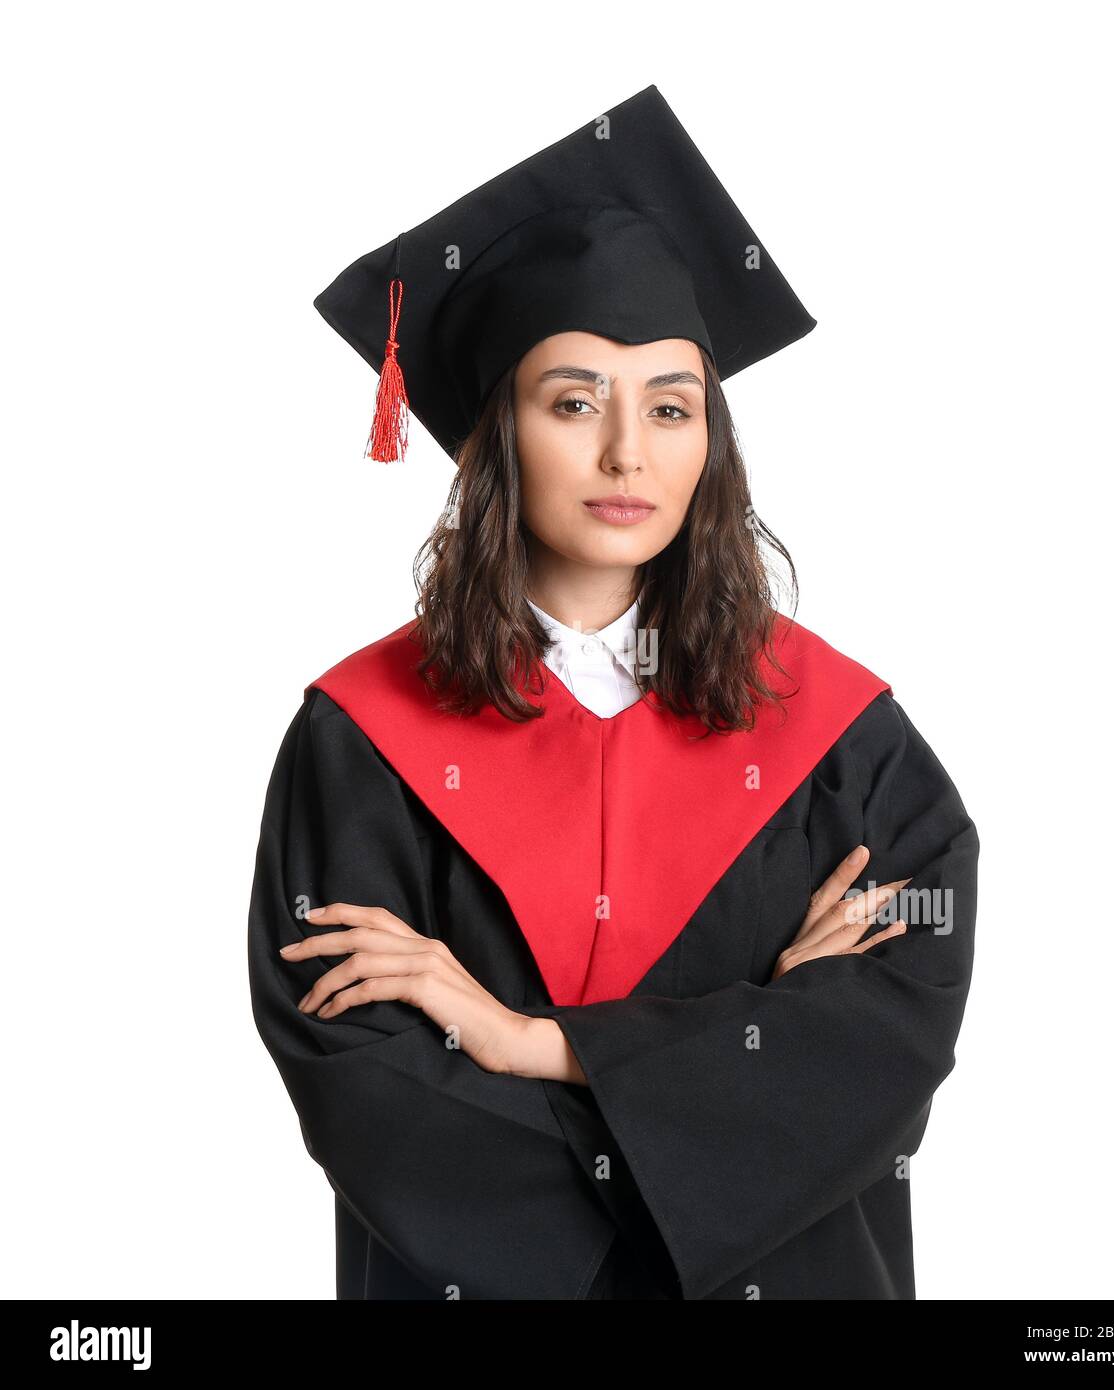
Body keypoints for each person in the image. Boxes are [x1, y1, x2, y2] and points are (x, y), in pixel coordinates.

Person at [247, 84, 979, 1301]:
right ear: (498, 434)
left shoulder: (847, 740)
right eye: (575, 401)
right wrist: (728, 1064)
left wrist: (526, 1041)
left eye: (673, 407)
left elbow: (895, 1028)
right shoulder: (357, 743)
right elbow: (362, 1083)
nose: (629, 454)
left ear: (711, 441)